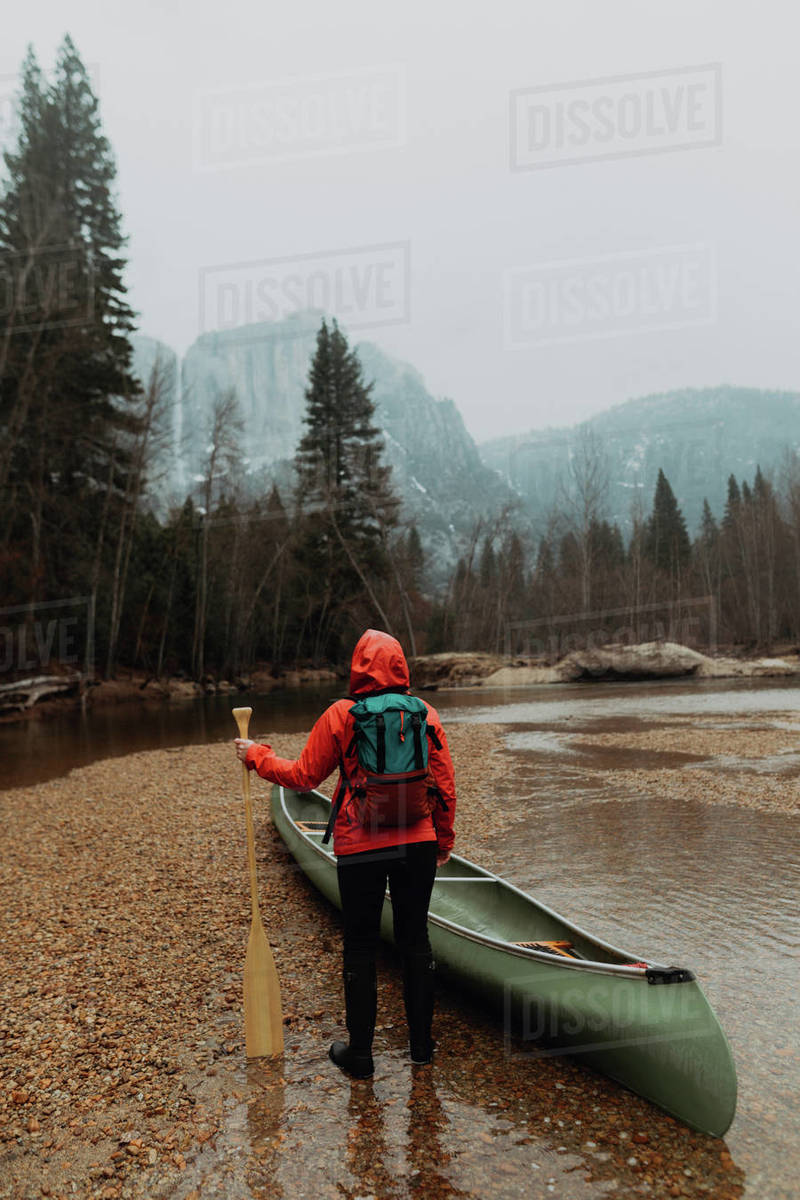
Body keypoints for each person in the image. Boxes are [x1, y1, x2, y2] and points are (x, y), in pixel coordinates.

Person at [234, 628, 457, 1079]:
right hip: (417, 843)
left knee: (360, 946)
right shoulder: (426, 714)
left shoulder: (341, 714)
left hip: (361, 848)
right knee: (415, 941)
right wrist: (444, 842)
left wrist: (257, 755)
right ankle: (421, 1048)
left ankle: (361, 1055)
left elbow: (302, 777)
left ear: (357, 667)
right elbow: (445, 787)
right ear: (400, 665)